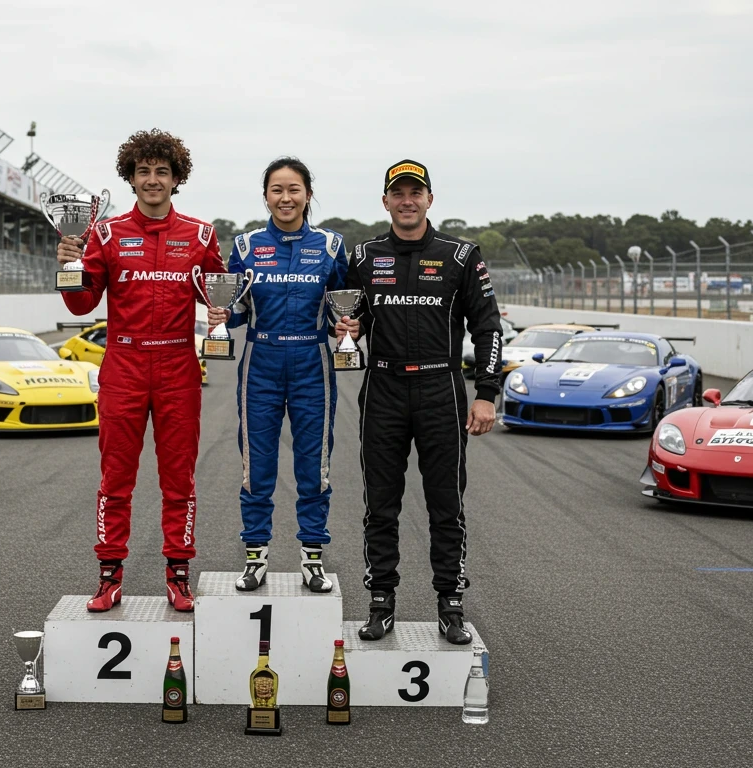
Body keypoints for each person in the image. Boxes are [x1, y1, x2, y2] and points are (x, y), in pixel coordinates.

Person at [335, 159, 502, 645]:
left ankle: (450, 603)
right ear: (385, 201)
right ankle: (381, 602)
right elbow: (346, 318)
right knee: (379, 507)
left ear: (430, 199)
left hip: (440, 389)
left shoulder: (461, 255)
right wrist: (345, 328)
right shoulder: (364, 257)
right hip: (383, 387)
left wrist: (487, 393)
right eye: (398, 193)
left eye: (416, 192)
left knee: (445, 505)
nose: (407, 201)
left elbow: (488, 327)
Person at [58, 129, 223, 613]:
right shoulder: (107, 234)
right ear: (130, 178)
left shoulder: (200, 235)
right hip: (124, 366)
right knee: (115, 478)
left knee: (179, 479)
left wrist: (221, 314)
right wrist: (69, 266)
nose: (153, 180)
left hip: (177, 366)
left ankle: (178, 574)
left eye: (162, 172)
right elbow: (82, 301)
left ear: (177, 179)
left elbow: (218, 296)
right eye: (144, 171)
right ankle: (109, 576)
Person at [205, 158, 347, 593]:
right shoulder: (246, 246)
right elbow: (237, 307)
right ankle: (255, 558)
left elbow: (345, 304)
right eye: (277, 190)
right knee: (257, 466)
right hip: (261, 360)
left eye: (294, 189)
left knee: (313, 466)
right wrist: (220, 317)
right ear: (265, 195)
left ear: (308, 193)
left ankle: (312, 559)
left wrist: (347, 326)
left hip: (312, 361)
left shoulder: (330, 245)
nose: (286, 198)